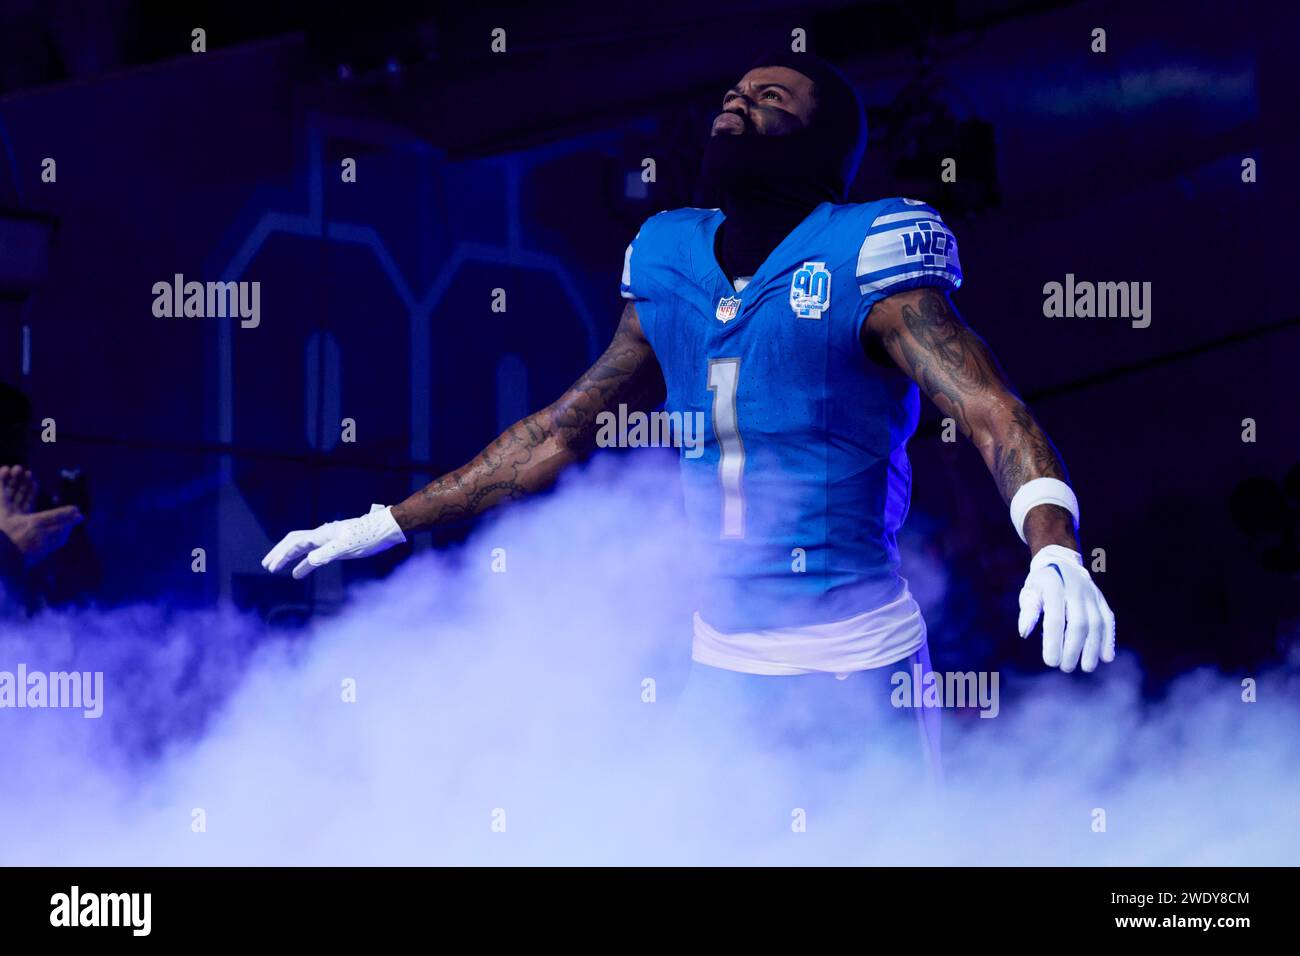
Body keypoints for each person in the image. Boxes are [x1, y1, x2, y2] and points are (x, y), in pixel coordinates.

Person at [263, 51, 1116, 770]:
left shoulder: (868, 251)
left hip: (856, 657)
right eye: (734, 95)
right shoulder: (668, 256)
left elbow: (989, 409)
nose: (740, 103)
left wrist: (1056, 548)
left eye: (771, 97)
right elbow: (560, 432)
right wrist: (387, 521)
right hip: (721, 657)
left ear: (821, 144)